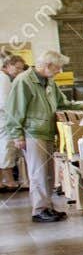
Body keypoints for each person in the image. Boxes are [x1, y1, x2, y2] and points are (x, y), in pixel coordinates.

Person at [2, 51, 70, 222]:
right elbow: (15, 110)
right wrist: (17, 135)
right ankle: (39, 210)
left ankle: (48, 207)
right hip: (32, 133)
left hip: (47, 131)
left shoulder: (49, 81)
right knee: (38, 173)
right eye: (58, 67)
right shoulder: (24, 80)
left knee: (48, 174)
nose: (59, 71)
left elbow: (62, 103)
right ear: (47, 65)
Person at [0, 54, 26, 190]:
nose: (19, 72)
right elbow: (6, 103)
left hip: (3, 119)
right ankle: (9, 181)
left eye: (21, 69)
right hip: (5, 120)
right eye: (17, 68)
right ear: (8, 65)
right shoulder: (3, 79)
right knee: (7, 148)